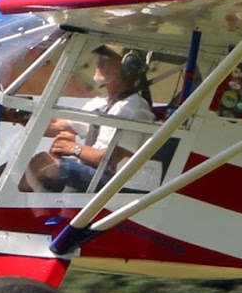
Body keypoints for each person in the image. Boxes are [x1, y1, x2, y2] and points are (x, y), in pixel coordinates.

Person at [25, 46, 156, 192]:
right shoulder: (100, 103)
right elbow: (54, 126)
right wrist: (20, 116)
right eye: (99, 58)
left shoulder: (136, 109)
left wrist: (73, 148)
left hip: (115, 181)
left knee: (44, 164)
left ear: (130, 67)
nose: (99, 63)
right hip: (93, 170)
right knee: (28, 164)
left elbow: (112, 162)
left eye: (106, 59)